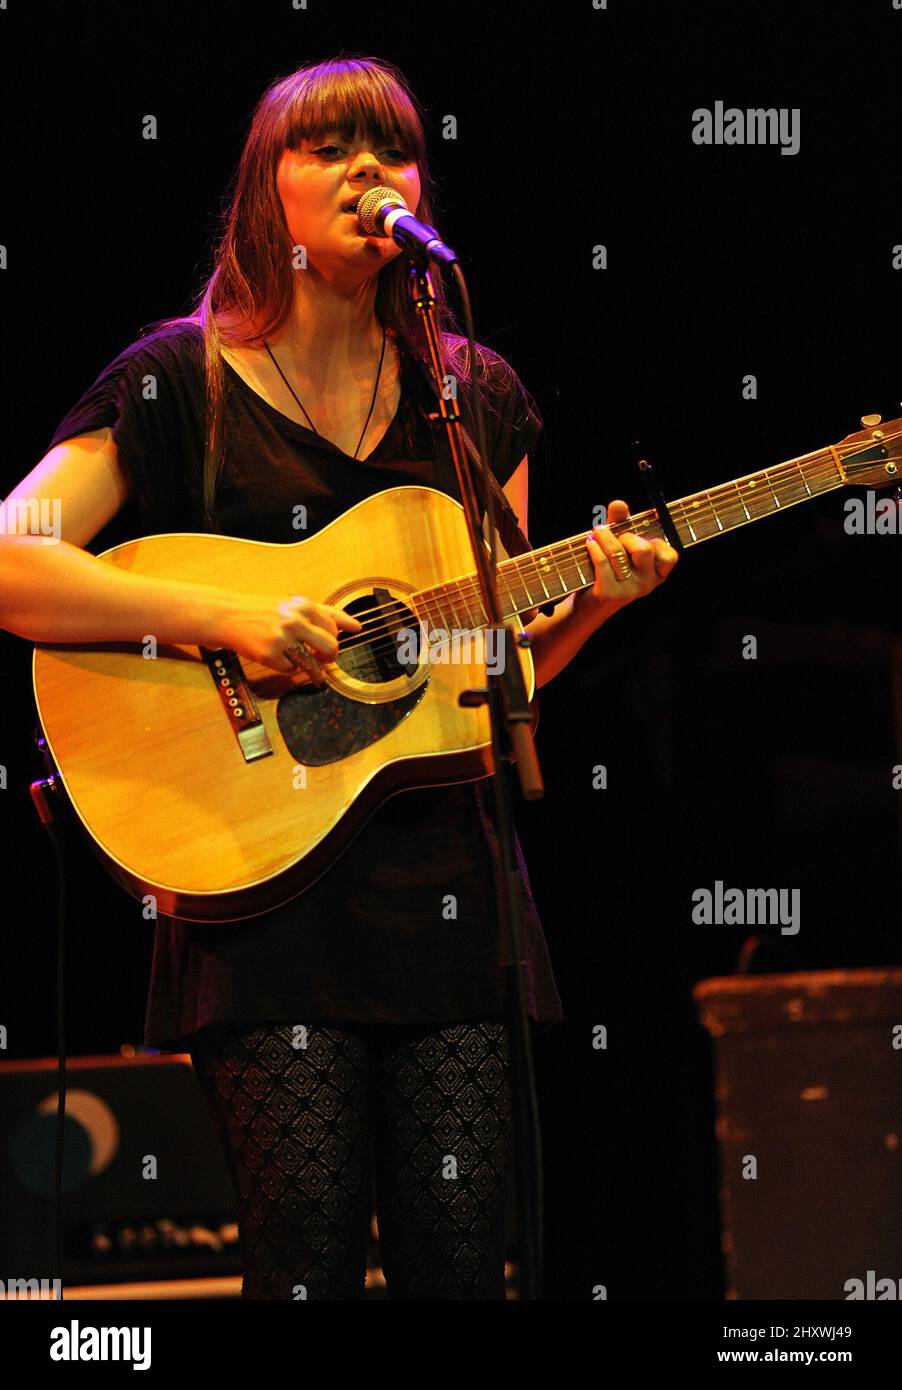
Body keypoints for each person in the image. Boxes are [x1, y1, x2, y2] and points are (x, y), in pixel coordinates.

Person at [0, 55, 679, 1299]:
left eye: (392, 148)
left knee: (461, 1264)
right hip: (259, 897)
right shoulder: (176, 382)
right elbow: (12, 564)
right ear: (268, 193)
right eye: (329, 147)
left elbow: (490, 666)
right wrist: (231, 619)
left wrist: (591, 597)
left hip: (451, 898)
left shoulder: (474, 397)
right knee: (302, 1257)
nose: (370, 170)